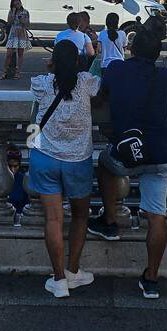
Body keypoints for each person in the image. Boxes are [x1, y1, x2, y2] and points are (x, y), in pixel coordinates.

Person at [87, 23, 167, 299]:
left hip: (128, 150)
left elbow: (100, 100)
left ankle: (110, 221)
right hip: (159, 152)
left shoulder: (116, 70)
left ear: (131, 49)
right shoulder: (164, 77)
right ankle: (152, 278)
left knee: (105, 162)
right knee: (156, 215)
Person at [28, 39, 98, 298]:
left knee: (53, 220)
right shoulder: (86, 83)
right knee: (80, 216)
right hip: (78, 160)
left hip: (46, 157)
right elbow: (99, 78)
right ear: (78, 62)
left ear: (53, 61)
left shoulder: (42, 83)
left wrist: (52, 68)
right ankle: (73, 270)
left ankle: (58, 280)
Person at [1, 0, 31, 80]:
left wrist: (22, 20)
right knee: (9, 53)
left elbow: (27, 24)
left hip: (21, 33)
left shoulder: (25, 12)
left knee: (20, 54)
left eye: (18, 3)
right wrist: (13, 13)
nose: (17, 5)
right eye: (15, 4)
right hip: (13, 33)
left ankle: (18, 73)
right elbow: (9, 22)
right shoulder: (11, 11)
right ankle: (4, 72)